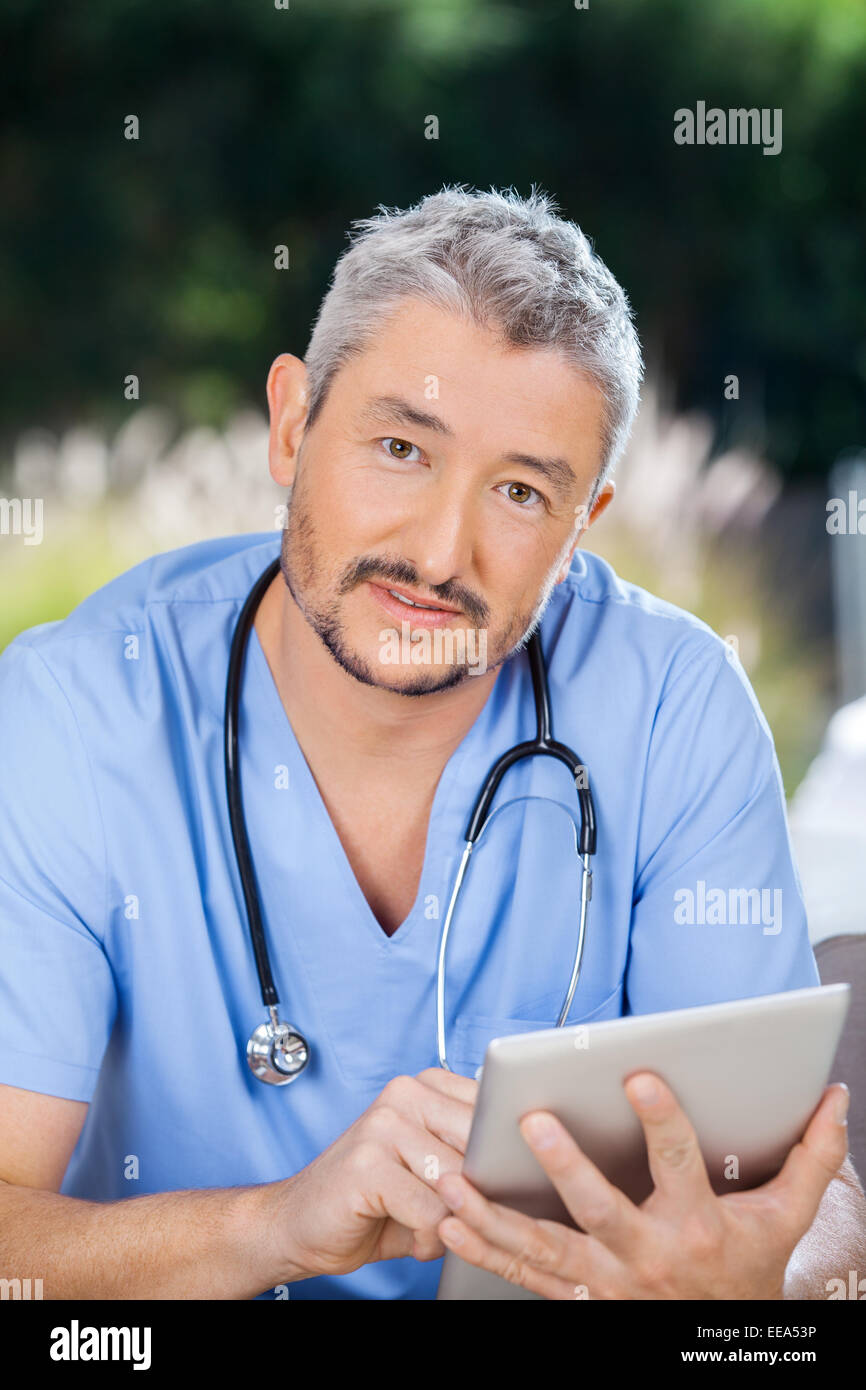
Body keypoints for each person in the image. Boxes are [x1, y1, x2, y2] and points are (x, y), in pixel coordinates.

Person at [0, 188, 862, 1301]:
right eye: (401, 446)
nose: (439, 551)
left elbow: (787, 1195)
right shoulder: (75, 709)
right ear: (291, 421)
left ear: (581, 522)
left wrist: (752, 1286)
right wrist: (277, 1227)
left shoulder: (672, 704)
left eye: (517, 490)